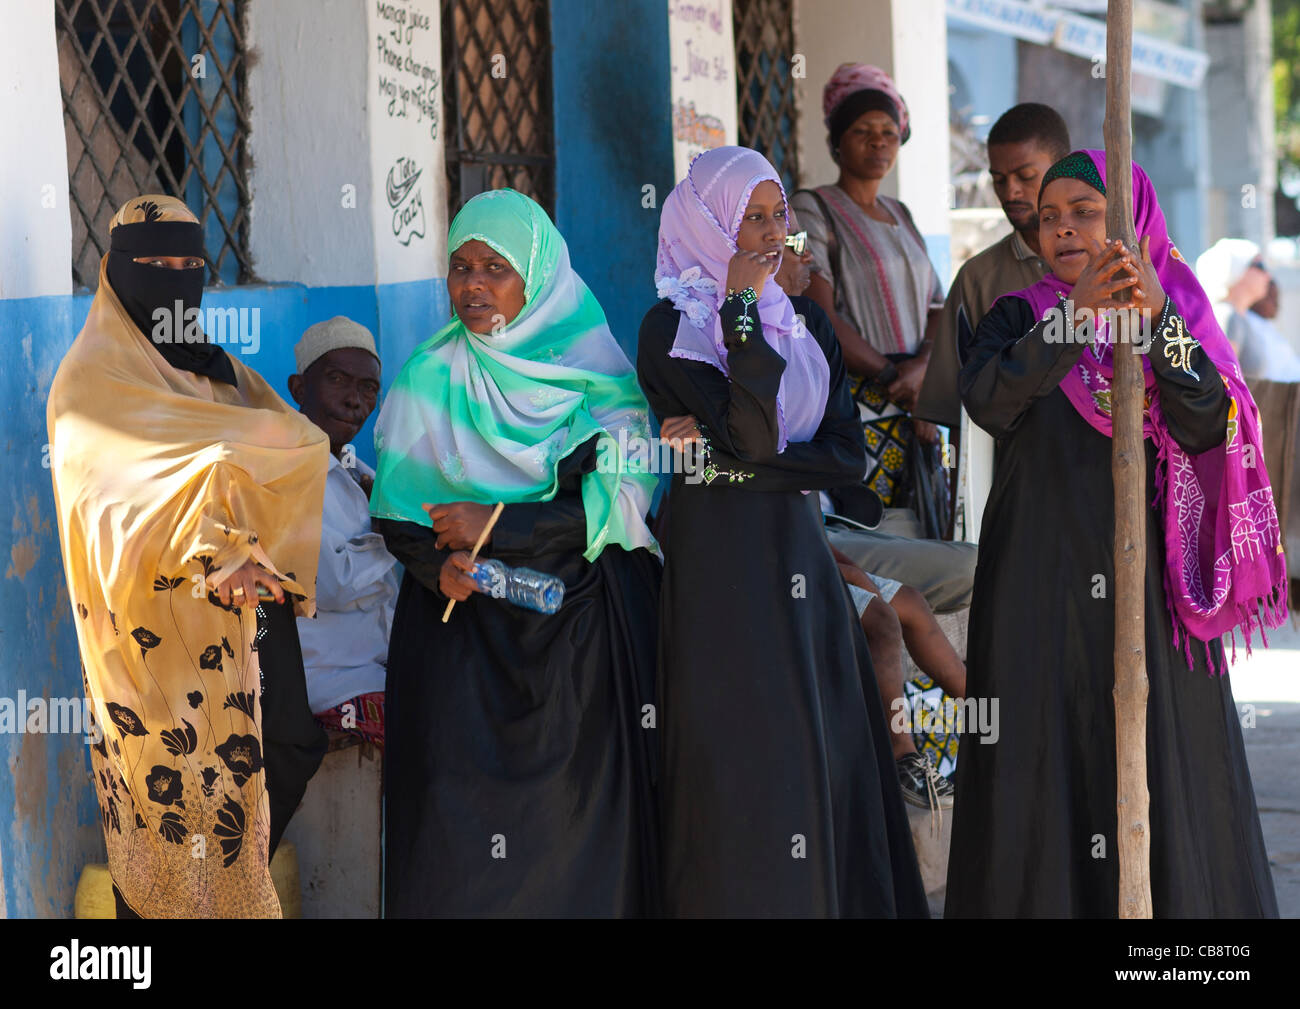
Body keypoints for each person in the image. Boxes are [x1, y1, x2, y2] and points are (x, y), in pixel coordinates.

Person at [947, 151, 1285, 917]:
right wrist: (1077, 318)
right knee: (1045, 760)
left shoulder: (1175, 310)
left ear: (1129, 220)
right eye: (1049, 217)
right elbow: (989, 400)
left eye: (1086, 212)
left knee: (1161, 767)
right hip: (1041, 587)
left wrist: (1154, 317)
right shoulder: (1018, 314)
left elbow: (1206, 419)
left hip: (1154, 600)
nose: (1064, 229)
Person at [639, 145, 927, 917]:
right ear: (706, 225)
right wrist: (737, 315)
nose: (770, 235)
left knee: (811, 740)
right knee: (732, 746)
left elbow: (843, 460)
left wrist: (723, 460)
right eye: (750, 219)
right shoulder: (667, 329)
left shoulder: (804, 324)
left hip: (795, 551)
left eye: (777, 217)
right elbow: (765, 439)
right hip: (716, 564)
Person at [370, 189, 661, 917]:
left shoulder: (599, 380)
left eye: (495, 267)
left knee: (576, 823)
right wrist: (437, 566)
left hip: (575, 641)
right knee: (454, 827)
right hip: (460, 646)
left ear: (538, 277)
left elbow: (620, 500)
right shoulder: (426, 379)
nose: (472, 285)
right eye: (460, 267)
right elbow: (399, 515)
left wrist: (495, 523)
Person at [47, 195, 330, 918]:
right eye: (155, 265)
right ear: (116, 271)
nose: (176, 280)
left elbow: (289, 441)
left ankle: (222, 901)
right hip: (156, 635)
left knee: (290, 746)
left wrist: (254, 542)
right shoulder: (89, 384)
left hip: (247, 613)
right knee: (168, 797)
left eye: (189, 265)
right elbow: (110, 497)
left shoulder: (212, 368)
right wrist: (213, 550)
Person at [776, 210, 966, 807]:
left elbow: (840, 454)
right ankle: (907, 755)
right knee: (884, 613)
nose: (806, 261)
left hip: (817, 520)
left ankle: (996, 717)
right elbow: (755, 464)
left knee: (919, 593)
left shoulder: (806, 331)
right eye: (790, 247)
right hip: (777, 533)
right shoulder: (726, 340)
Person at [791, 63, 948, 538]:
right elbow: (815, 311)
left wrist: (923, 372)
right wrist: (888, 375)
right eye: (862, 131)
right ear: (837, 142)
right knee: (867, 538)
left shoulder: (903, 214)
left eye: (888, 132)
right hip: (857, 398)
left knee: (919, 533)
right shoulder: (807, 208)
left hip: (914, 397)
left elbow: (938, 307)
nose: (879, 141)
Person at [915, 103, 1071, 542]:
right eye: (999, 179)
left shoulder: (1114, 265)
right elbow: (958, 420)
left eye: (1025, 175)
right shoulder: (978, 280)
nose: (1011, 192)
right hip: (1018, 497)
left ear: (1064, 168)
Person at [288, 317, 398, 747]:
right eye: (337, 380)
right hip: (330, 680)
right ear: (299, 389)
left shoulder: (354, 471)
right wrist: (394, 532)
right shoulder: (286, 470)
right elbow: (330, 585)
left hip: (374, 667)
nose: (354, 400)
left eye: (368, 388)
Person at [1196, 238, 1272, 378]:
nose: (1268, 276)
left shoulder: (1239, 317)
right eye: (1260, 265)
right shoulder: (1228, 315)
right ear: (1236, 269)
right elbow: (1222, 379)